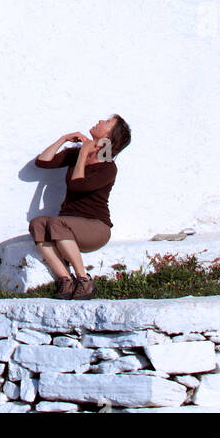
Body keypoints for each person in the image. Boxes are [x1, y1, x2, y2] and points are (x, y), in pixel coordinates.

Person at [30, 114, 131, 300]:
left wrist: (84, 153)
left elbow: (77, 185)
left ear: (108, 138)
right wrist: (63, 139)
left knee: (55, 223)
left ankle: (84, 280)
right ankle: (65, 280)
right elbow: (42, 162)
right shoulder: (76, 154)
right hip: (66, 224)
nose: (101, 121)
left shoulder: (108, 167)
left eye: (107, 123)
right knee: (37, 223)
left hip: (95, 228)